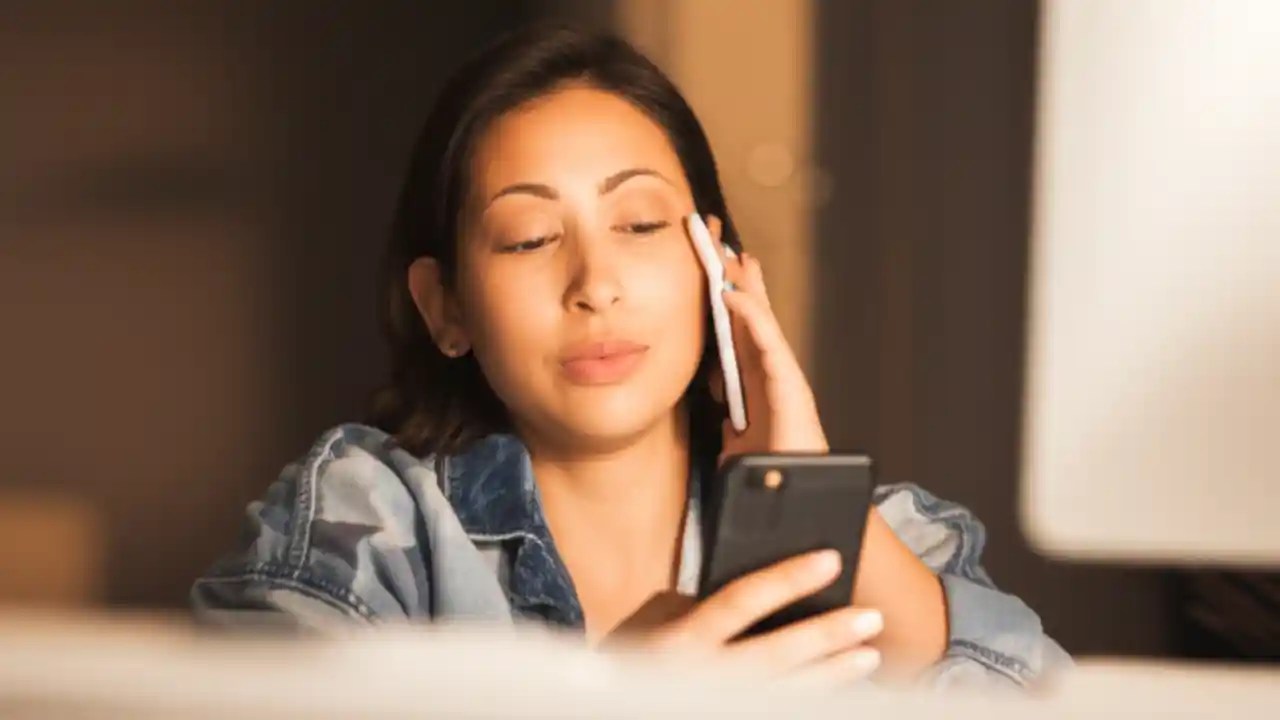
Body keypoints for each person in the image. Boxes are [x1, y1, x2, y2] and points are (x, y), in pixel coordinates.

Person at [193, 24, 1068, 689]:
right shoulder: (371, 521)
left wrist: (807, 489)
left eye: (641, 224)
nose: (595, 284)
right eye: (531, 238)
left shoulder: (901, 538)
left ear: (714, 266)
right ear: (446, 308)